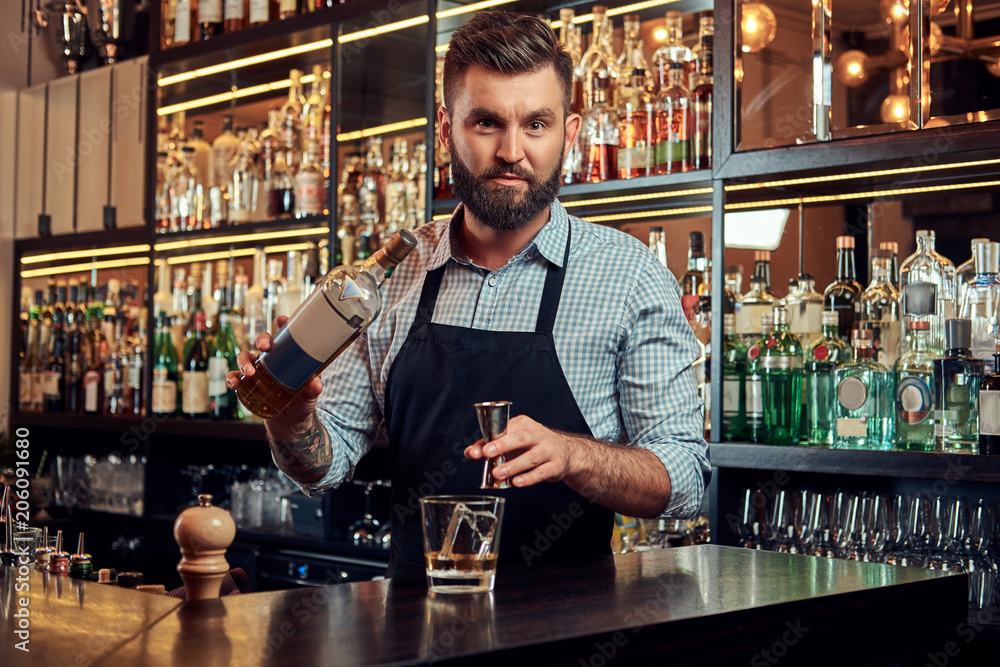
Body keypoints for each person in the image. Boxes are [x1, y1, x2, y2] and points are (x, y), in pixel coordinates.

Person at [229, 11, 709, 578]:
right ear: (444, 127)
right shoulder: (391, 278)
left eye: (536, 124)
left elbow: (684, 479)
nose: (511, 151)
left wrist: (574, 455)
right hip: (411, 629)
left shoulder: (628, 276)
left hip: (572, 634)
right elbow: (321, 467)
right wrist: (290, 422)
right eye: (486, 123)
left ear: (570, 134)